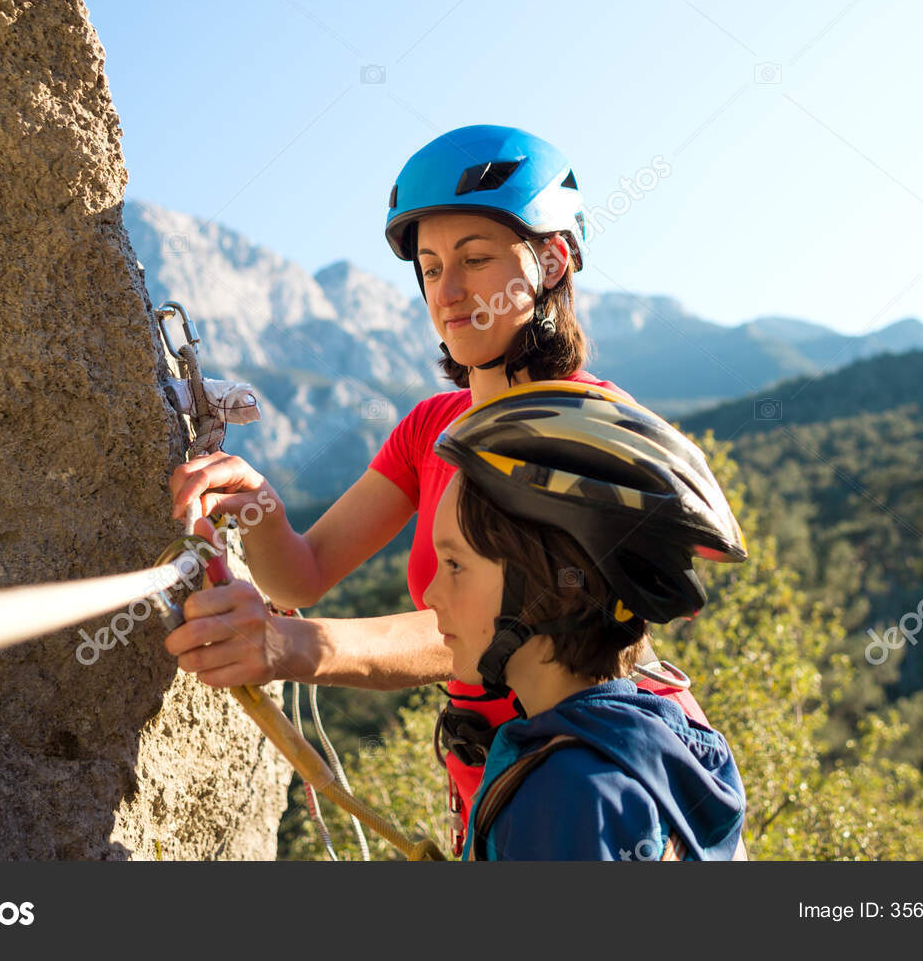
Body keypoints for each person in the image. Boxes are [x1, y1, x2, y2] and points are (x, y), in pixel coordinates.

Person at [165, 124, 717, 853]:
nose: (448, 292)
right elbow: (301, 571)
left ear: (551, 260)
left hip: (588, 790)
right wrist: (257, 500)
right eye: (428, 267)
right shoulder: (431, 427)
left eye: (475, 259)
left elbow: (487, 619)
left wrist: (291, 645)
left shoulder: (584, 435)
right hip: (504, 785)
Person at [423, 379, 748, 860]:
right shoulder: (661, 739)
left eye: (455, 566)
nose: (430, 594)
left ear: (555, 589)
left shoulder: (569, 799)